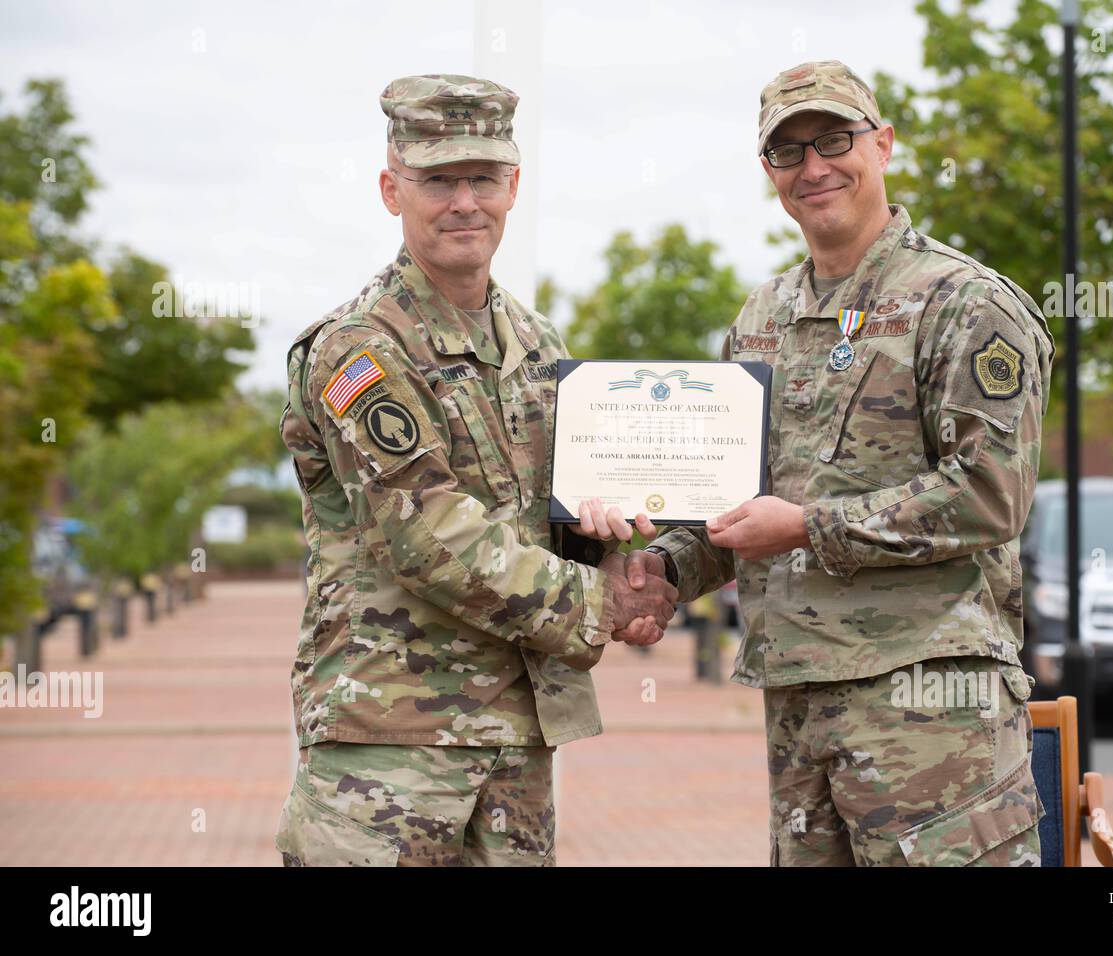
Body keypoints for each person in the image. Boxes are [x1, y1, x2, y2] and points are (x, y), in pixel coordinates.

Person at [579, 60, 1055, 866]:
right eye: (787, 152)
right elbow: (734, 503)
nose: (814, 168)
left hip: (931, 707)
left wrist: (806, 527)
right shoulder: (763, 318)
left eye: (834, 139)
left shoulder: (964, 302)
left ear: (884, 144)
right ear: (768, 171)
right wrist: (658, 571)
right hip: (799, 702)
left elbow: (988, 495)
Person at [274, 73, 676, 867]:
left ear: (513, 186)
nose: (464, 201)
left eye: (483, 178)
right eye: (438, 180)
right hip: (387, 749)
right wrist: (603, 602)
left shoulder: (539, 346)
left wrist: (616, 542)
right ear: (393, 189)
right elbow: (429, 535)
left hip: (517, 745)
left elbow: (547, 525)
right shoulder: (359, 349)